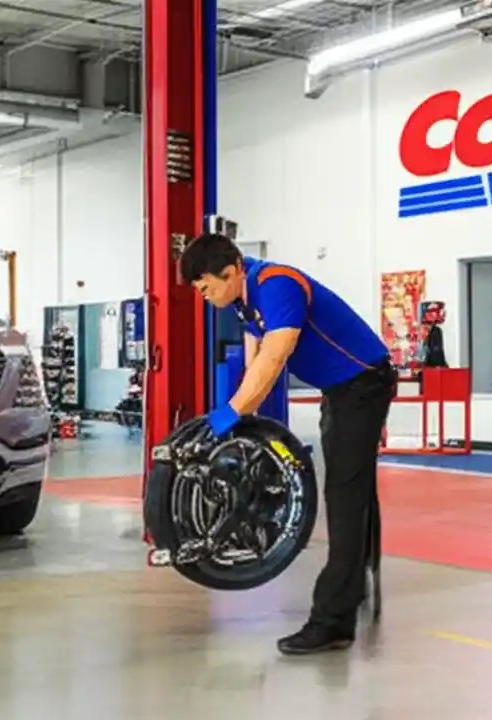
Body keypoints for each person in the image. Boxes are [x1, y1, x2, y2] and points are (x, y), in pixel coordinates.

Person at [178, 232, 397, 655]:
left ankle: (334, 621)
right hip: (343, 390)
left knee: (343, 495)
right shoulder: (245, 304)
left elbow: (276, 357)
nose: (204, 297)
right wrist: (239, 409)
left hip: (363, 387)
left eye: (206, 287)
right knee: (355, 488)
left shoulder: (277, 285)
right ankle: (359, 581)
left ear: (231, 272)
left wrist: (230, 414)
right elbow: (256, 363)